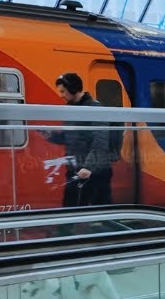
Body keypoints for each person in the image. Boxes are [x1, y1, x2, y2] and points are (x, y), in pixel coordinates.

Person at [37, 73, 114, 207]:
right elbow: (71, 138)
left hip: (95, 172)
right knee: (70, 208)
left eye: (63, 91)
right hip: (76, 169)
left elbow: (100, 141)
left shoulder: (94, 109)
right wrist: (51, 136)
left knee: (97, 212)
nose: (61, 95)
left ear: (73, 89)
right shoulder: (72, 109)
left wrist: (88, 167)